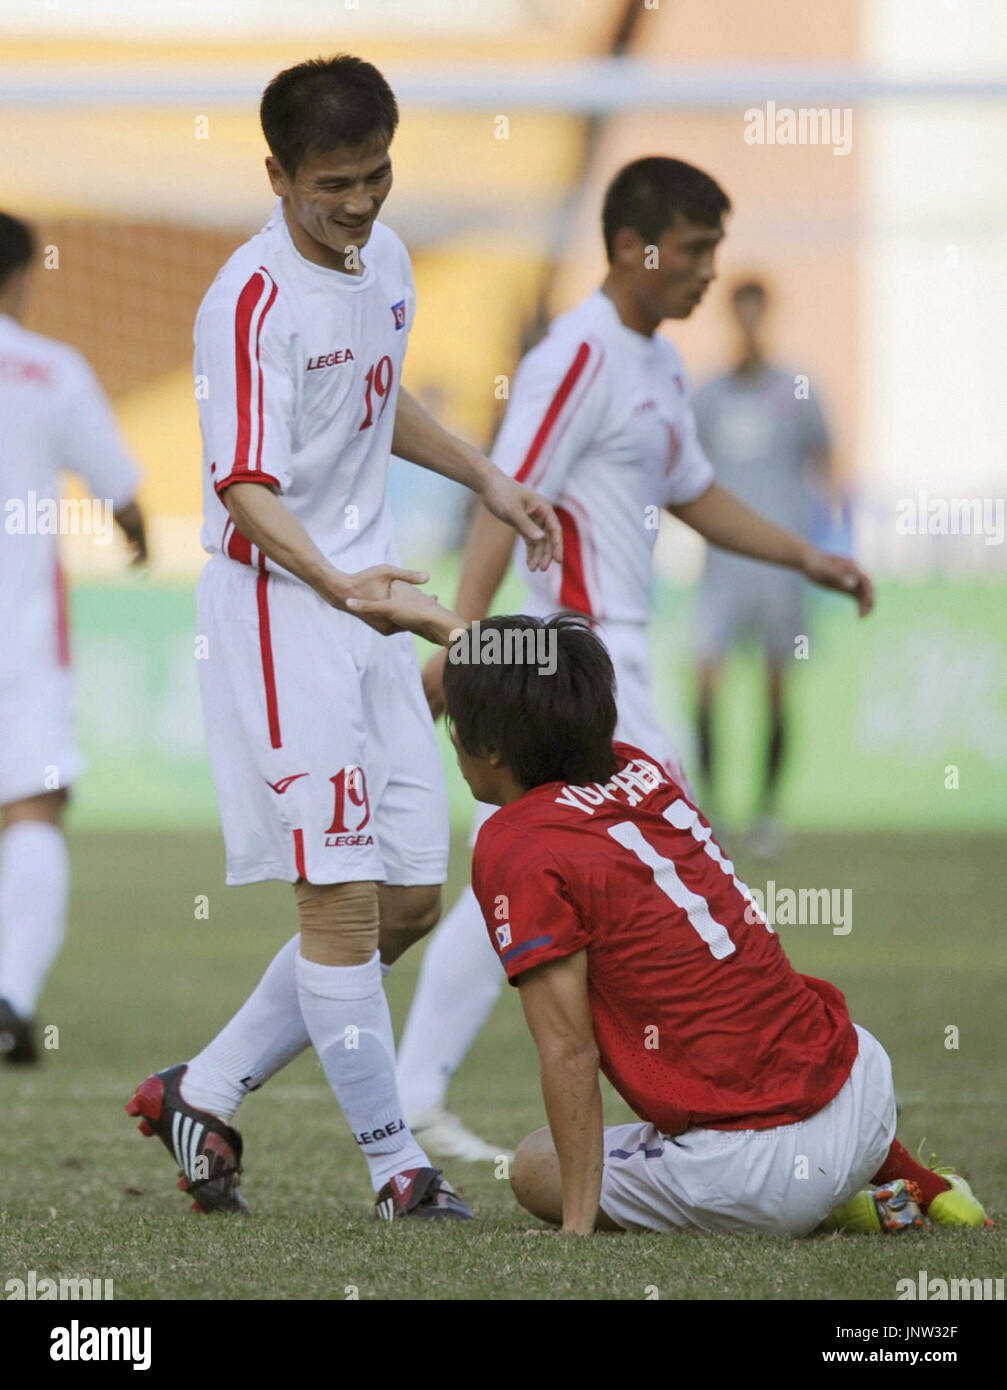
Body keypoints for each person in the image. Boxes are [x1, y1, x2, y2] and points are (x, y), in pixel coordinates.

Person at [124, 55, 561, 1222]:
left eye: (375, 176)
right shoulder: (248, 300)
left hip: (373, 603)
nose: (360, 203)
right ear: (275, 175)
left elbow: (376, 395)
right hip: (283, 610)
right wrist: (335, 584)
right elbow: (242, 487)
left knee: (408, 899)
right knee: (336, 902)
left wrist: (485, 474)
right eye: (333, 186)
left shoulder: (388, 258)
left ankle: (202, 1089)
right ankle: (394, 1168)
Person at [395, 157, 872, 1162]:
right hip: (576, 664)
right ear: (630, 247)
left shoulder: (657, 364)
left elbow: (692, 490)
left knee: (533, 869)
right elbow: (504, 491)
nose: (707, 272)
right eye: (693, 250)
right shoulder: (575, 354)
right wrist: (462, 641)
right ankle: (735, 1100)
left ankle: (418, 1094)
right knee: (680, 869)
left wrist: (805, 554)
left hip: (622, 658)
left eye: (713, 251)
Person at [345, 595, 992, 1238]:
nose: (453, 737)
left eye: (457, 726)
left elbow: (569, 1050)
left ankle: (832, 1205)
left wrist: (574, 1230)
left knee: (535, 1167)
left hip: (762, 1173)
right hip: (862, 1083)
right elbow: (544, 689)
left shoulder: (518, 842)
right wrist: (444, 627)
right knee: (763, 1047)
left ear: (489, 748)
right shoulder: (639, 767)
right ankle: (923, 1188)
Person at [0, 211, 147, 1063]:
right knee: (32, 806)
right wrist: (138, 540)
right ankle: (11, 997)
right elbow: (120, 490)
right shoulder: (50, 369)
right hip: (20, 633)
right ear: (23, 277)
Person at [692, 279, 835, 852]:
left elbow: (825, 461)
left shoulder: (797, 391)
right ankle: (711, 806)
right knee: (706, 677)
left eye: (756, 314)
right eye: (741, 314)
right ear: (732, 318)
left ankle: (768, 812)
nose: (749, 325)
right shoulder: (707, 396)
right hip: (722, 564)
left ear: (766, 316)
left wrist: (827, 541)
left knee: (776, 687)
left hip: (780, 566)